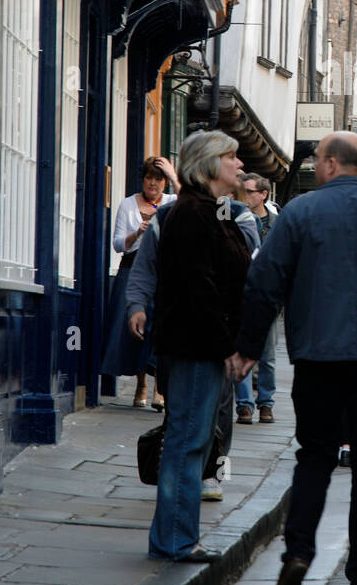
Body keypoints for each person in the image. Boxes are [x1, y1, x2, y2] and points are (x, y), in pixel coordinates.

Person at [229, 131, 357, 585]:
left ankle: (299, 551)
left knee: (315, 456)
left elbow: (263, 284)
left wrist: (249, 347)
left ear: (333, 164)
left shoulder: (300, 211)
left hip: (318, 356)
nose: (316, 166)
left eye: (319, 159)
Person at [148, 131, 250, 562]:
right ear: (209, 163)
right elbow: (198, 288)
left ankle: (176, 536)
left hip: (203, 345)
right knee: (187, 441)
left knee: (194, 441)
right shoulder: (191, 213)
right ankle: (174, 540)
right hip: (194, 346)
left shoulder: (210, 210)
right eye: (232, 157)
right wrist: (227, 346)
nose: (240, 165)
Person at [127, 189, 258, 501]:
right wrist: (136, 304)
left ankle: (212, 471)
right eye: (231, 159)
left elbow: (251, 262)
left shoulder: (239, 214)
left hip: (220, 334)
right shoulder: (168, 216)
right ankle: (176, 477)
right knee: (176, 406)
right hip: (175, 334)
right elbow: (145, 266)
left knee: (221, 405)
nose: (238, 166)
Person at [101, 156, 178, 409]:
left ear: (165, 182)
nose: (152, 183)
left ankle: (159, 389)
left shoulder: (173, 202)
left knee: (161, 329)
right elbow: (117, 244)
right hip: (133, 268)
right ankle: (141, 384)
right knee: (134, 329)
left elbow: (194, 204)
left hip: (164, 271)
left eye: (158, 179)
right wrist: (138, 233)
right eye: (149, 178)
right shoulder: (127, 205)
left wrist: (175, 176)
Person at [240, 174, 281, 423]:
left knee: (268, 355)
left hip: (269, 296)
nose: (245, 196)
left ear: (263, 194)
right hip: (243, 292)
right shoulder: (237, 217)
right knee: (242, 350)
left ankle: (266, 403)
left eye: (249, 192)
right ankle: (244, 405)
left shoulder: (278, 222)